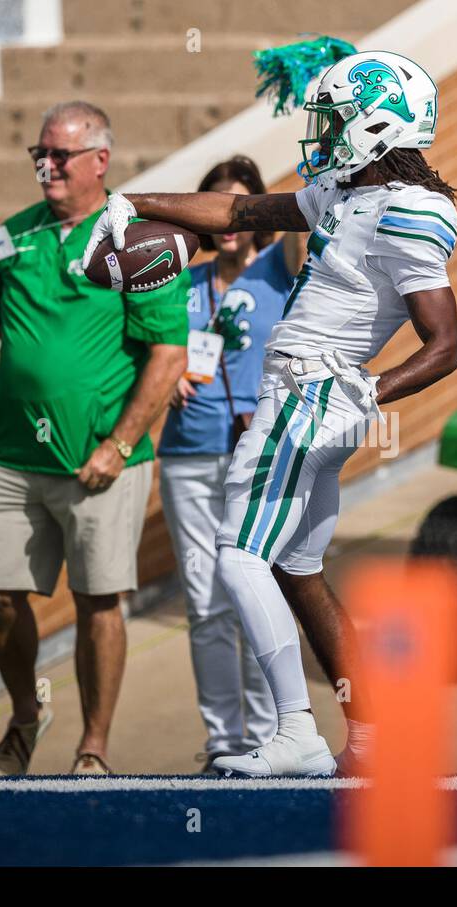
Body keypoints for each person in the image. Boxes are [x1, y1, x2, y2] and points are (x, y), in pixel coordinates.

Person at [84, 51, 457, 777]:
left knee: (236, 555)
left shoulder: (410, 209)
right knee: (297, 567)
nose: (324, 133)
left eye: (337, 119)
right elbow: (237, 211)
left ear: (377, 124)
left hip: (309, 394)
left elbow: (443, 344)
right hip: (311, 393)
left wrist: (369, 391)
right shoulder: (349, 193)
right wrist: (137, 202)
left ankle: (296, 731)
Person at [0, 101, 188, 776]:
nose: (46, 166)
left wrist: (118, 443)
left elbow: (169, 354)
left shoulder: (139, 239)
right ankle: (28, 712)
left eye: (60, 155)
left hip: (100, 460)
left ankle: (93, 746)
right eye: (40, 154)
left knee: (98, 602)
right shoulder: (7, 236)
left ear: (100, 161)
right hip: (11, 455)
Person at [157, 156, 306, 771]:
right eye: (215, 204)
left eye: (239, 207)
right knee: (205, 603)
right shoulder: (179, 281)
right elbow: (145, 350)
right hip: (188, 454)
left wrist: (316, 152)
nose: (226, 219)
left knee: (253, 592)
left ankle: (271, 736)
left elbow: (304, 225)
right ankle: (222, 740)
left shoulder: (280, 268)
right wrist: (160, 381)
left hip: (258, 450)